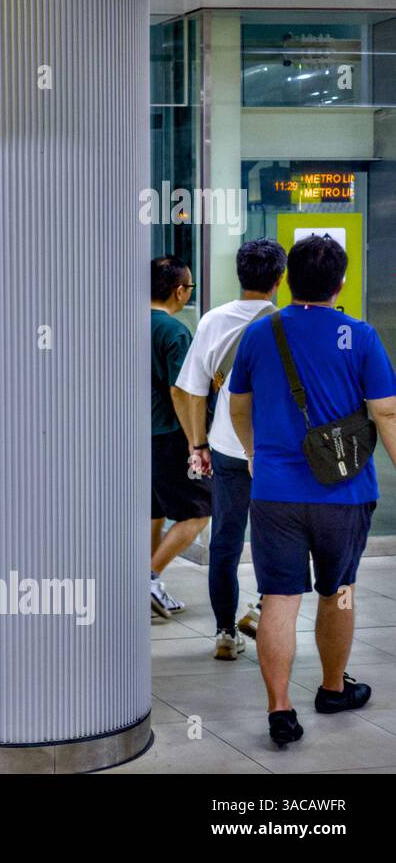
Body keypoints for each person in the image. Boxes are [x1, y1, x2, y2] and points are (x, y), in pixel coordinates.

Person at [228, 235, 396, 747]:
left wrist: (256, 454)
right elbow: (385, 413)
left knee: (279, 598)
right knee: (338, 590)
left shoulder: (261, 333)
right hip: (343, 492)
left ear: (287, 280)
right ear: (340, 282)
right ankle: (331, 688)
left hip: (275, 492)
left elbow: (238, 407)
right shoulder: (360, 336)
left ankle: (280, 708)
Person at [173, 239, 286, 660]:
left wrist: (197, 443)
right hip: (277, 451)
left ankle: (224, 633)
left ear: (240, 274)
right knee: (281, 536)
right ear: (280, 279)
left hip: (227, 447)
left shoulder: (212, 320)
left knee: (225, 540)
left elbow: (192, 391)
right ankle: (261, 608)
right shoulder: (285, 323)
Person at [148, 256, 210, 618]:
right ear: (180, 290)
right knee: (199, 510)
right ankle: (150, 579)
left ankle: (143, 583)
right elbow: (180, 392)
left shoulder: (123, 324)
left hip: (135, 435)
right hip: (168, 435)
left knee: (153, 512)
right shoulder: (173, 331)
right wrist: (195, 442)